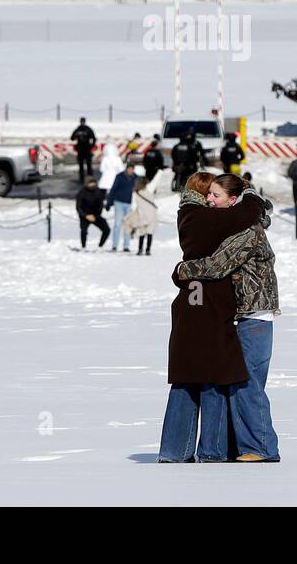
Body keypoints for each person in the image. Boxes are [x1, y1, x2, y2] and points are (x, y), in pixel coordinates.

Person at [158, 172, 268, 463]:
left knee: (190, 377)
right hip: (206, 305)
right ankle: (213, 449)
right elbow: (238, 219)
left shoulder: (192, 215)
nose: (211, 199)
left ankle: (177, 451)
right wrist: (252, 197)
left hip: (196, 303)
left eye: (215, 195)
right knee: (214, 378)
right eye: (210, 193)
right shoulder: (201, 218)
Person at [124, 168, 159, 255]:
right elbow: (156, 181)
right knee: (150, 233)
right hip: (152, 214)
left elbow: (133, 205)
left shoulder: (135, 192)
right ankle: (148, 250)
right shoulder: (149, 189)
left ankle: (140, 250)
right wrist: (160, 171)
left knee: (141, 232)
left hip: (141, 215)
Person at [104, 163, 136, 252]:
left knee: (127, 225)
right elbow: (113, 189)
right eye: (129, 169)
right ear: (126, 169)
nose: (130, 171)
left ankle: (126, 246)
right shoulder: (120, 176)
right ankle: (114, 245)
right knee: (117, 224)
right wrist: (109, 203)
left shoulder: (135, 178)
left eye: (132, 169)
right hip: (119, 202)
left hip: (129, 204)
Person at [75, 176, 110, 249]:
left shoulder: (98, 192)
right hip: (85, 216)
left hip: (96, 215)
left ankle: (100, 246)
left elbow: (100, 205)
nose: (92, 184)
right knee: (83, 231)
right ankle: (83, 247)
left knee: (107, 229)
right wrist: (86, 216)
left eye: (93, 183)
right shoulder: (81, 193)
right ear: (86, 184)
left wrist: (96, 215)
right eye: (90, 183)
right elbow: (78, 207)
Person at [70, 117, 96, 183]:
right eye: (81, 122)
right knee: (81, 166)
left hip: (87, 150)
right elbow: (72, 138)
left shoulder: (88, 129)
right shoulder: (78, 129)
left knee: (89, 166)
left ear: (85, 122)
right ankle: (82, 179)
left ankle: (90, 179)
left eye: (83, 122)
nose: (82, 123)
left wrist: (91, 146)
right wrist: (76, 135)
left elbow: (94, 138)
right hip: (80, 150)